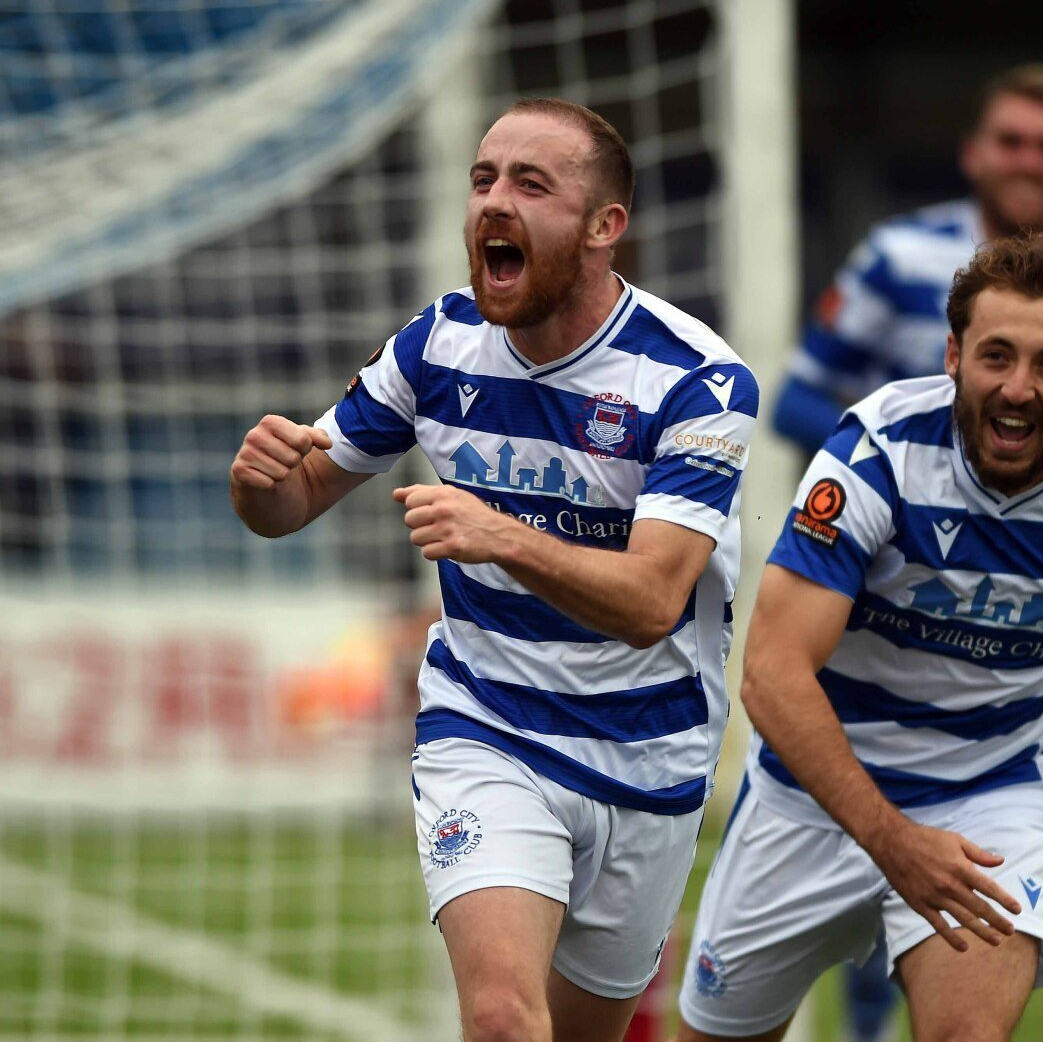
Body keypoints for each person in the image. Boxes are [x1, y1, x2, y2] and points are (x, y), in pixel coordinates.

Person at [230, 97, 758, 1042]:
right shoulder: (436, 343)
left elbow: (650, 603)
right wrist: (257, 483)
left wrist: (501, 534)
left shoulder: (696, 382)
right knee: (504, 1021)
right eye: (482, 180)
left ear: (603, 226)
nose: (493, 202)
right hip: (488, 726)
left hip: (651, 754)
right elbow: (293, 501)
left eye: (530, 183)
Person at [675, 232, 1043, 1042]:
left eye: (1042, 364)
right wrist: (893, 841)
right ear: (952, 356)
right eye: (996, 356)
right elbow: (771, 674)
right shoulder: (878, 450)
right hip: (811, 795)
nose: (1019, 388)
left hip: (987, 791)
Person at [775, 64, 1043, 458]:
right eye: (1010, 142)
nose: (1029, 163)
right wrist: (893, 466)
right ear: (971, 154)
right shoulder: (900, 255)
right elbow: (795, 403)